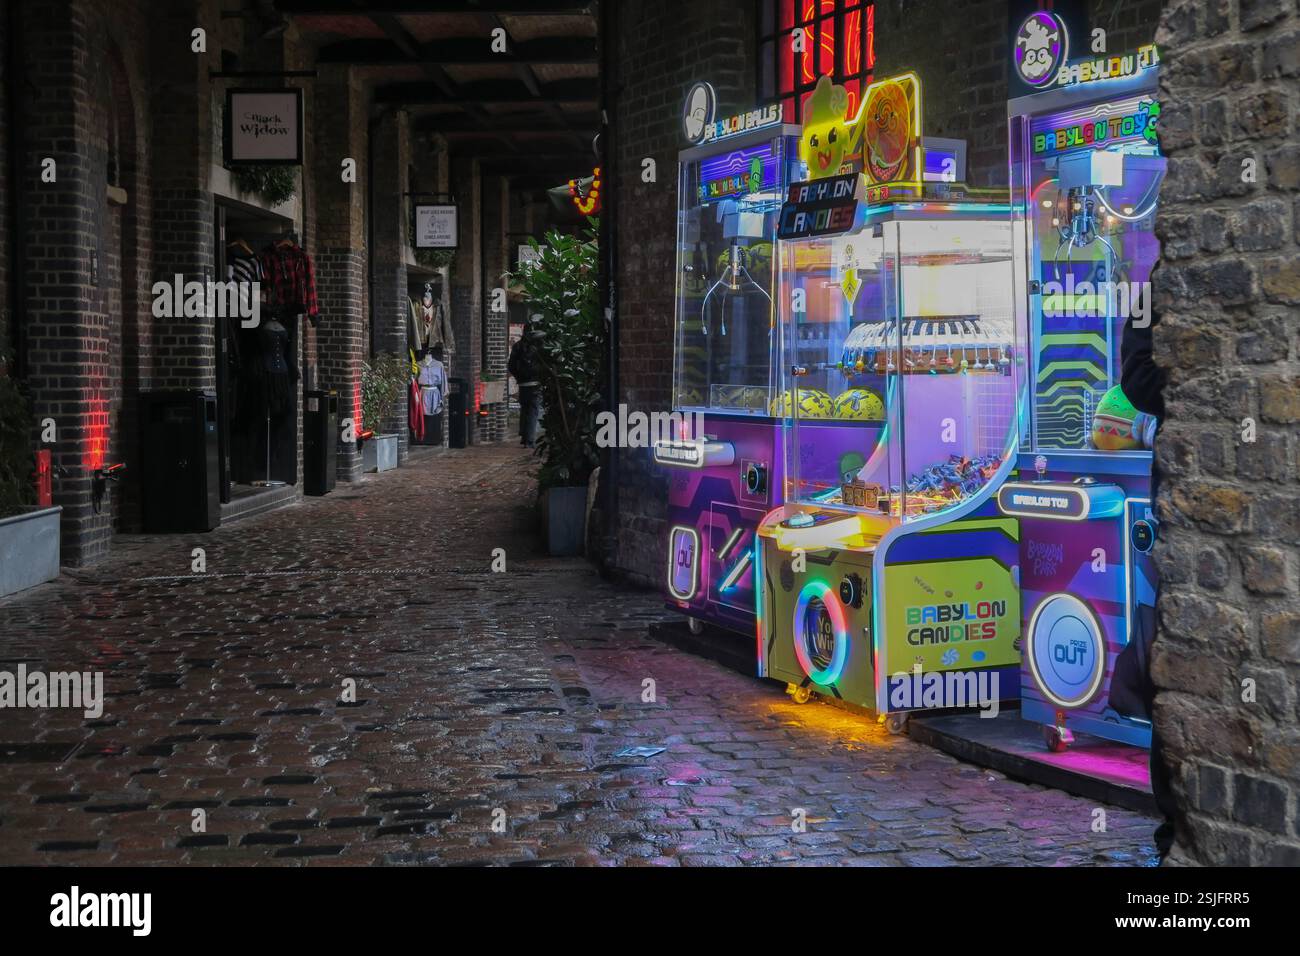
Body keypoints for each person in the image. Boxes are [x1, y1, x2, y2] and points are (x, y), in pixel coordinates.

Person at [1116, 309, 1174, 861]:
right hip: (1180, 500)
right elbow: (1138, 381)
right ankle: (1175, 832)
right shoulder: (1149, 288)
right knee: (1172, 655)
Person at [508, 324, 542, 448]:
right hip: (535, 383)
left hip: (522, 383)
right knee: (533, 411)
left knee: (525, 409)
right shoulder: (538, 346)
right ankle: (530, 439)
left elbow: (511, 365)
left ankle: (524, 435)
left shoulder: (517, 346)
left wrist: (518, 376)